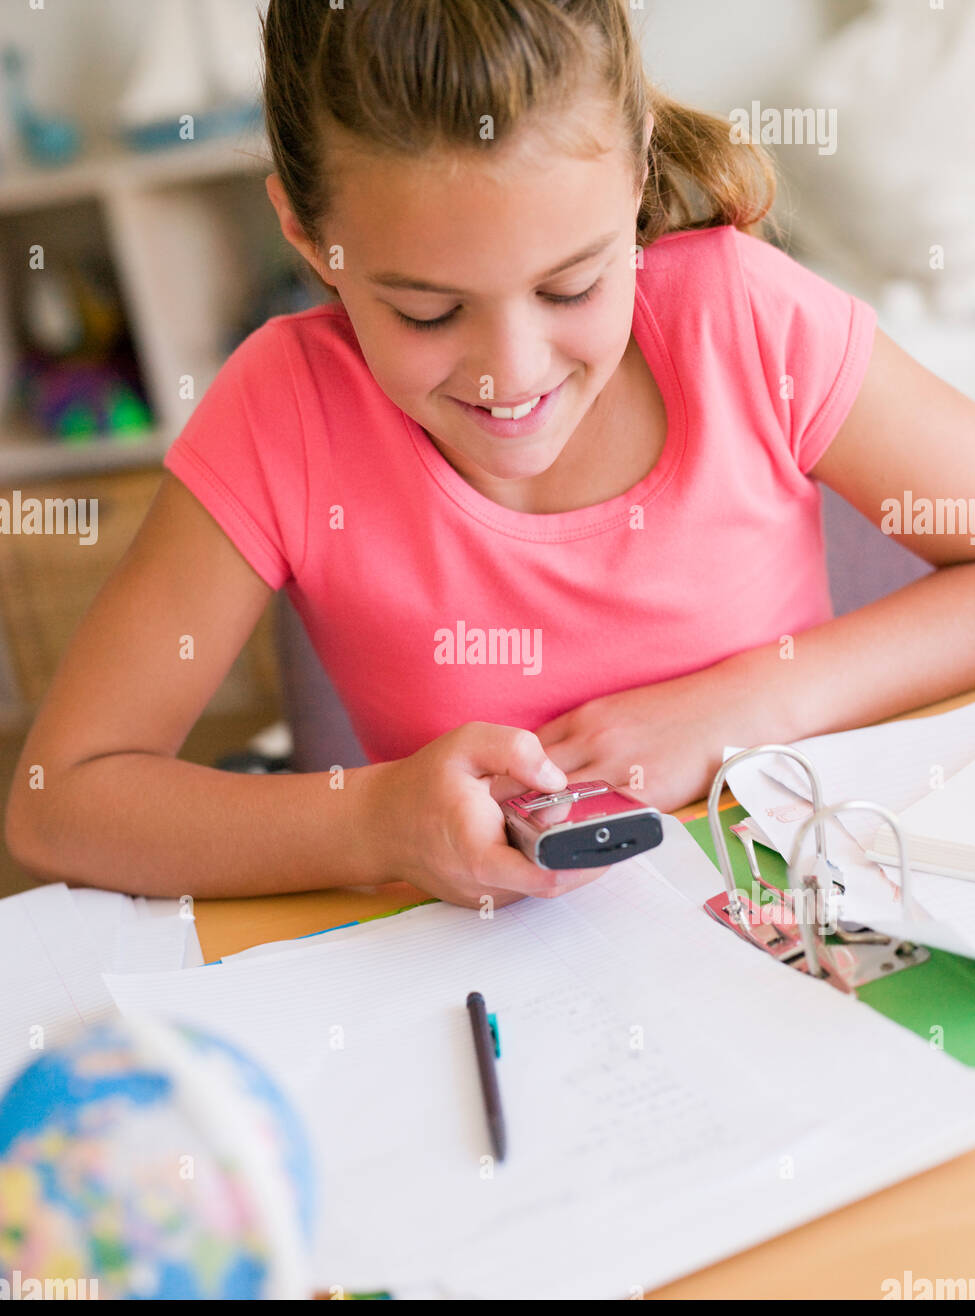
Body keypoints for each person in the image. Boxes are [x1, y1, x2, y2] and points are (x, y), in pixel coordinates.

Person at [6, 0, 975, 910]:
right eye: (426, 309)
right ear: (309, 237)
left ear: (636, 168)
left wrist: (747, 703)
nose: (512, 373)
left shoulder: (748, 320)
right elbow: (61, 803)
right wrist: (373, 822)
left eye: (572, 285)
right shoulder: (283, 413)